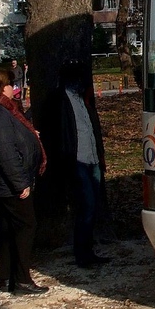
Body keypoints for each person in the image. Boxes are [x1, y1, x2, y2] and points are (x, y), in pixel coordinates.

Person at [0, 65, 49, 295]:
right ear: (1, 86)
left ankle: (6, 276)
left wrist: (29, 136)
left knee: (8, 227)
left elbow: (11, 138)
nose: (13, 88)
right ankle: (22, 279)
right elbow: (4, 151)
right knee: (26, 225)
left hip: (4, 180)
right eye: (10, 84)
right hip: (9, 182)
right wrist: (20, 184)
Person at [41, 59, 109, 268]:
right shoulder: (60, 100)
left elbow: (92, 129)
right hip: (76, 159)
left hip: (92, 157)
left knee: (93, 205)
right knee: (86, 205)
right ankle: (82, 254)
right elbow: (56, 132)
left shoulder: (83, 99)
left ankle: (88, 250)